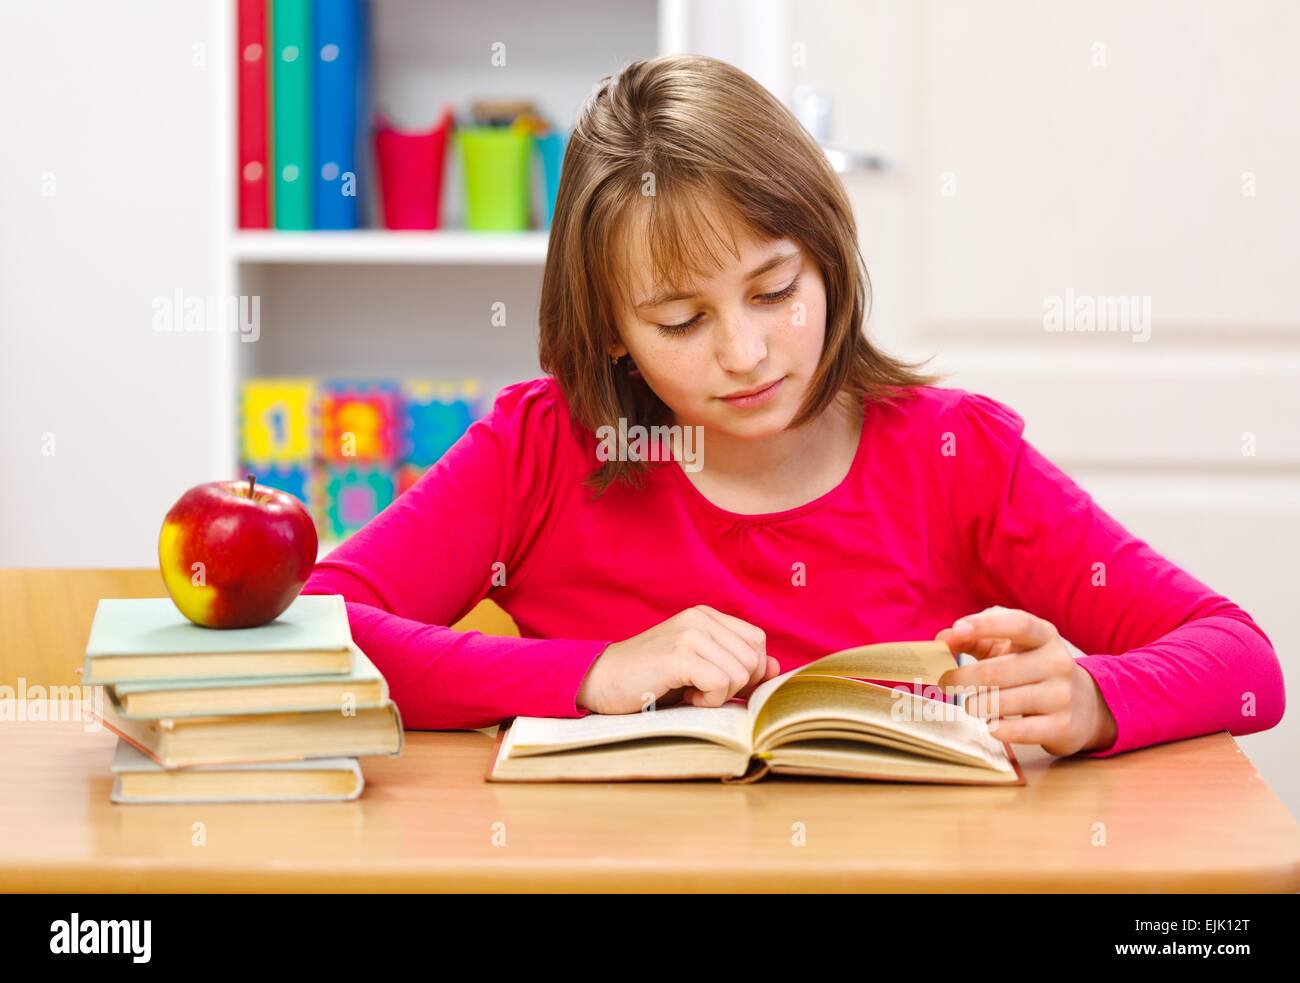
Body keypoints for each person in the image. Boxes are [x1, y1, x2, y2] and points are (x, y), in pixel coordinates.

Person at [303, 54, 1284, 759]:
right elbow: (318, 626)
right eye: (681, 319)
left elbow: (1243, 659)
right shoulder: (542, 446)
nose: (746, 351)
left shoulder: (953, 451)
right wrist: (589, 673)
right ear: (609, 331)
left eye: (774, 291)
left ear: (827, 255)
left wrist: (1095, 697)